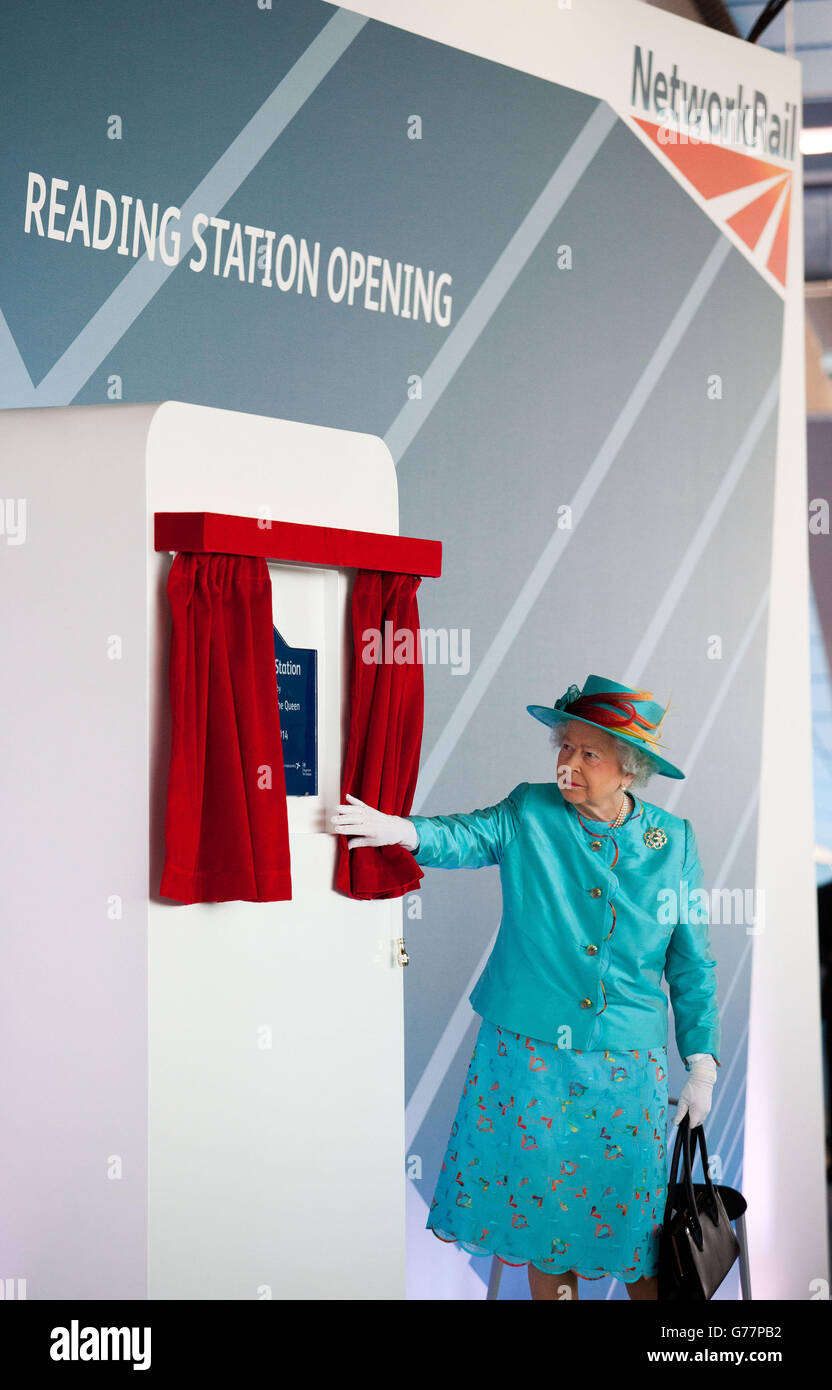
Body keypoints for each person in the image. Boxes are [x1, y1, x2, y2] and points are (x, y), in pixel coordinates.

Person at [331, 675, 720, 1301]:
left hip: (627, 1061)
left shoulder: (671, 842)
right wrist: (405, 831)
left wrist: (699, 1061)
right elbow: (469, 835)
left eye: (588, 753)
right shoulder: (530, 809)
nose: (568, 763)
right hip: (528, 1056)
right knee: (545, 1221)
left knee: (638, 1228)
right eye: (564, 747)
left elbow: (691, 960)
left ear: (630, 770)